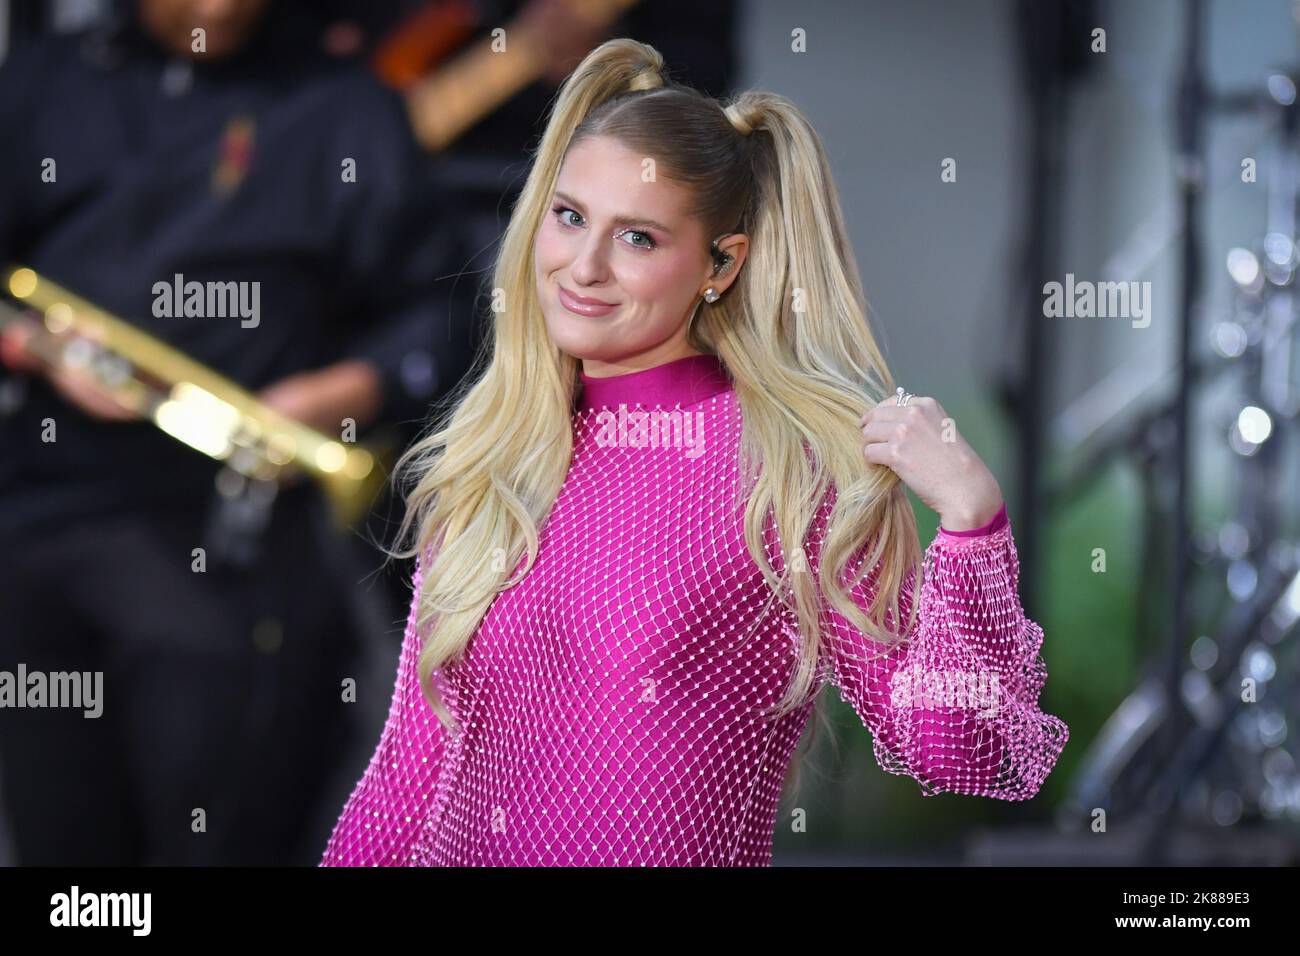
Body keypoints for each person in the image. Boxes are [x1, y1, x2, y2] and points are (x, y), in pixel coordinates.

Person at [320, 38, 1070, 868]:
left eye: (636, 238)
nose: (584, 266)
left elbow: (961, 750)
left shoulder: (792, 473)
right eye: (569, 217)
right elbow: (403, 781)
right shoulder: (491, 455)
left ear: (720, 264)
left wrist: (972, 523)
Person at [0, 0, 474, 865]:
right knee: (63, 839)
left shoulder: (343, 105)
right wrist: (36, 347)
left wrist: (347, 387)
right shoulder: (43, 83)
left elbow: (439, 307)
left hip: (237, 538)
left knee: (221, 823)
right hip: (48, 513)